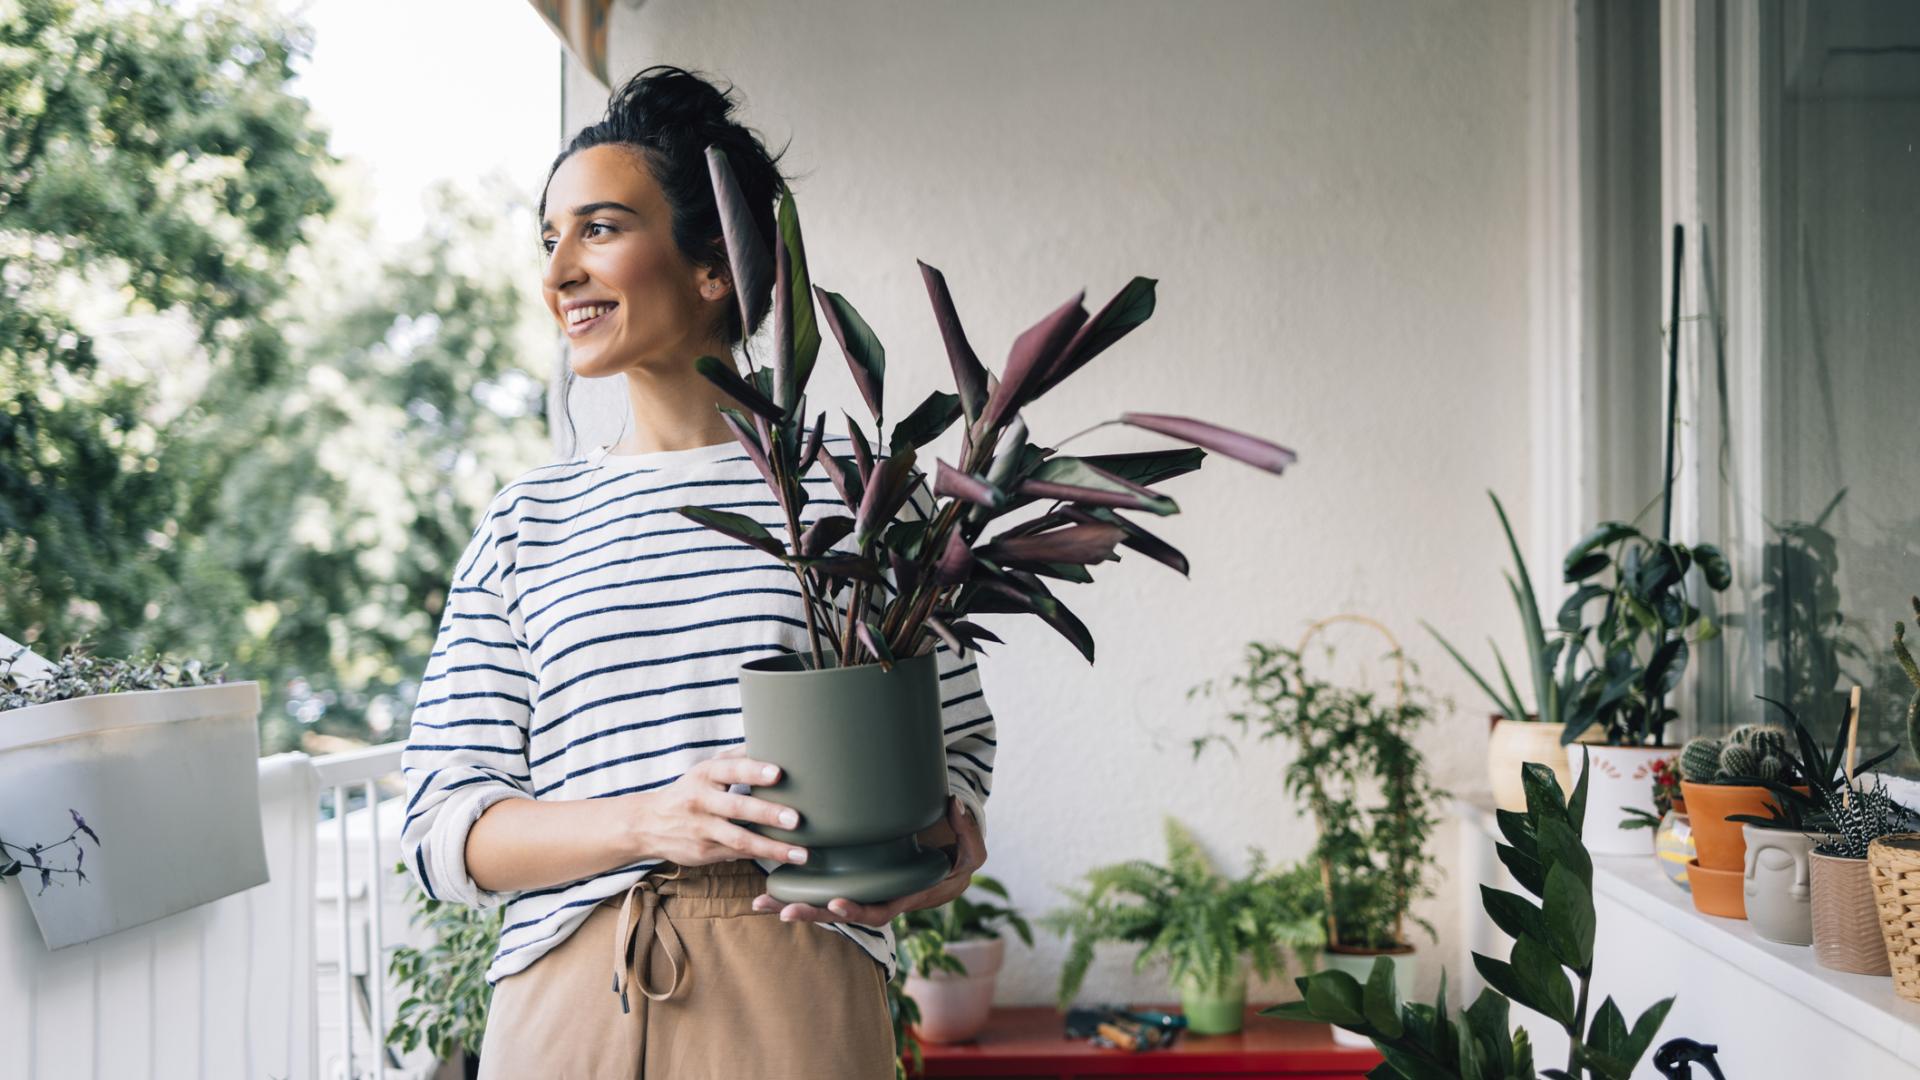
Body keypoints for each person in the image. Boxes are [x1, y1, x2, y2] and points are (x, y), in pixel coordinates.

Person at [398, 64, 997, 1079]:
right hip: (566, 997)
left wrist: (946, 843)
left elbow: (957, 754)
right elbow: (440, 828)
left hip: (795, 979)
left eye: (598, 229)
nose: (559, 273)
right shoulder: (527, 523)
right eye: (548, 241)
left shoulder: (856, 495)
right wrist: (648, 819)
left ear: (714, 266)